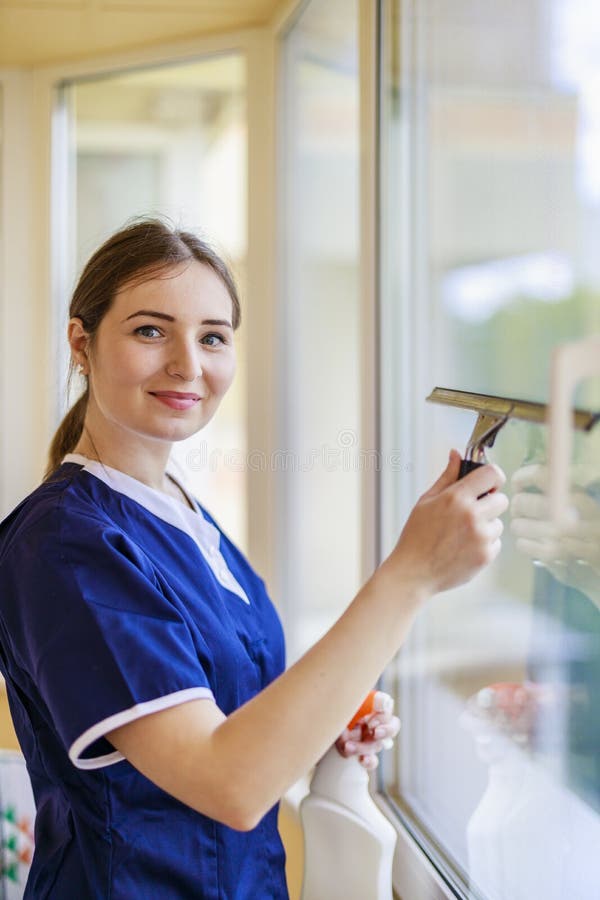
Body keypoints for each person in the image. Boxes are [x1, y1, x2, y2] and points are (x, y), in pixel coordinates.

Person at [0, 218, 507, 899]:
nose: (188, 364)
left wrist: (322, 725)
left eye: (213, 337)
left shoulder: (182, 513)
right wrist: (410, 575)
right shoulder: (65, 547)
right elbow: (231, 784)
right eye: (151, 330)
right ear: (81, 343)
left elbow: (230, 721)